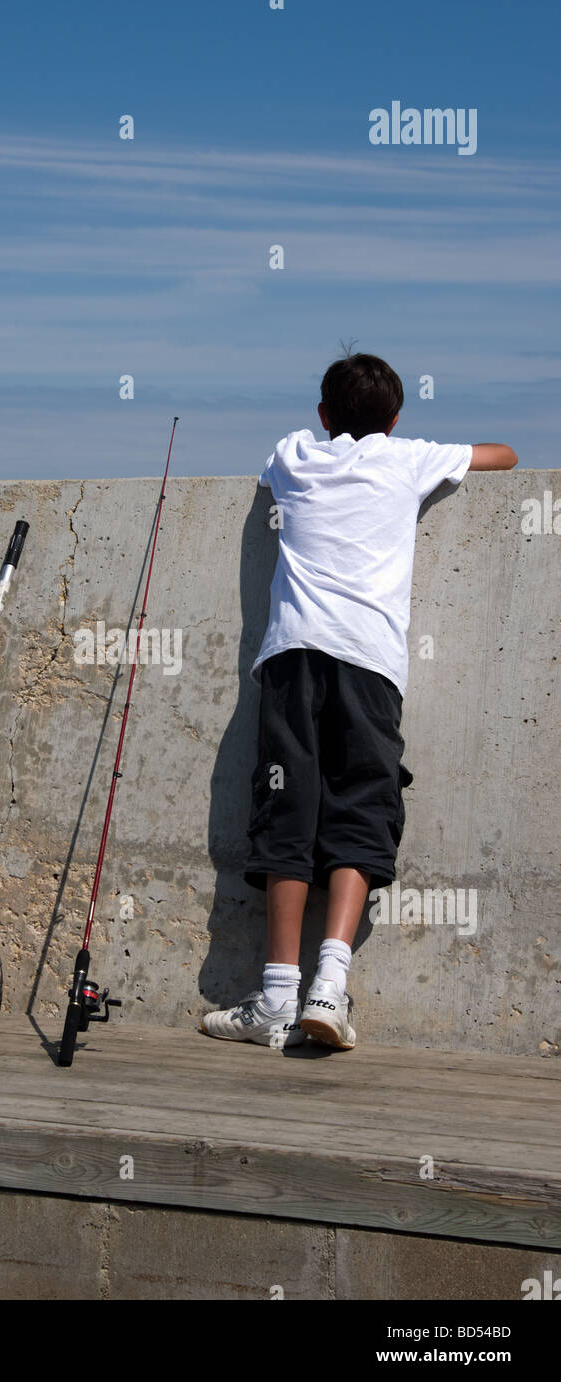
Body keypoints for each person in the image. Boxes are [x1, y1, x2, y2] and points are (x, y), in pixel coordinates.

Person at [202, 352, 517, 1051]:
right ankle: (328, 988)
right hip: (370, 665)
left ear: (322, 415)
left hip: (292, 659)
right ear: (396, 418)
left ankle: (276, 996)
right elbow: (508, 454)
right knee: (363, 805)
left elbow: (275, 476)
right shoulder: (411, 460)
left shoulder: (291, 455)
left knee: (287, 811)